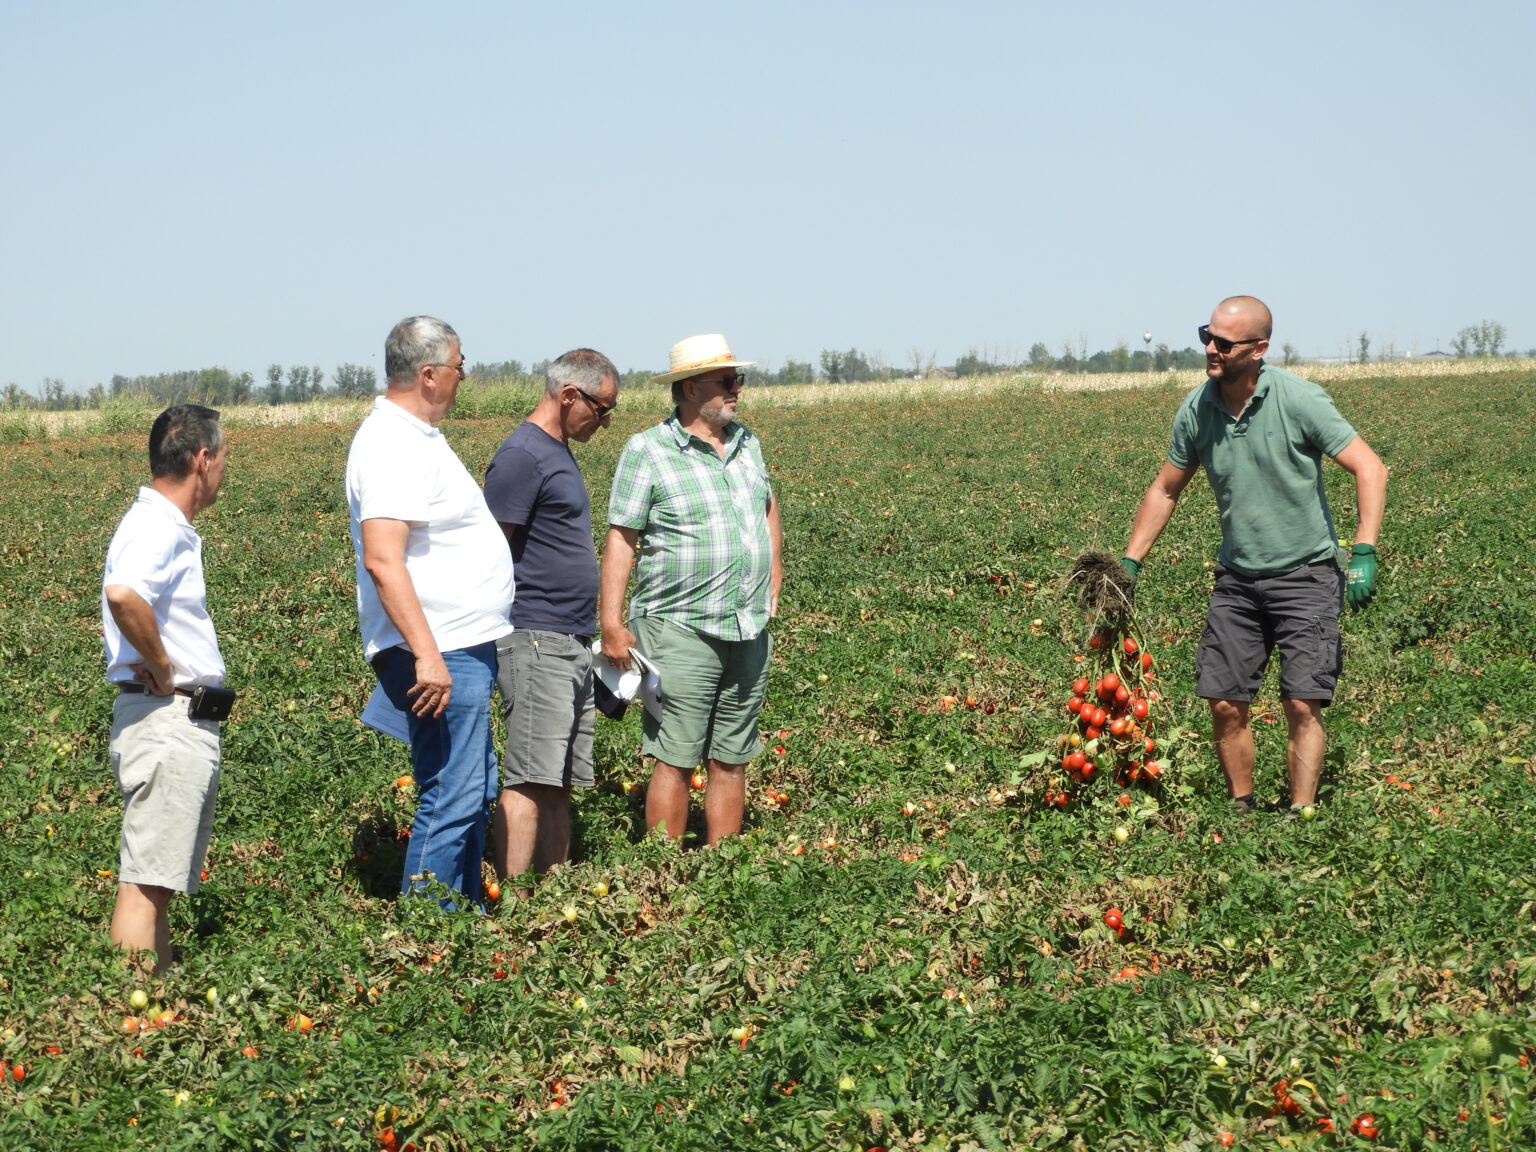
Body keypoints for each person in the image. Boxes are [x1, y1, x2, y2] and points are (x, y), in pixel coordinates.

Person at [1121, 295, 1387, 813]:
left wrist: (1363, 550)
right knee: (1224, 702)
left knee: (1301, 704)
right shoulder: (1198, 408)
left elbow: (1370, 468)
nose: (1211, 348)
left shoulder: (1298, 399)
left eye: (1224, 341)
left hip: (1306, 576)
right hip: (1237, 579)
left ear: (1259, 348)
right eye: (1207, 336)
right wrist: (1130, 562)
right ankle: (1242, 811)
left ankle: (1299, 815)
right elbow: (1166, 489)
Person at [346, 316, 513, 907]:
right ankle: (427, 936)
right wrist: (427, 655)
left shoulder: (414, 437)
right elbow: (384, 560)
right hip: (439, 648)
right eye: (460, 365)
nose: (464, 377)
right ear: (429, 374)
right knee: (450, 791)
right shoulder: (391, 443)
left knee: (469, 789)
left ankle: (459, 922)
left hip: (457, 644)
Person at [600, 334, 784, 846]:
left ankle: (721, 868)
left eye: (737, 380)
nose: (737, 390)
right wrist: (611, 623)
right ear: (688, 388)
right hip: (680, 626)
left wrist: (775, 569)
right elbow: (621, 538)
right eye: (726, 381)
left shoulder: (748, 443)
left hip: (747, 624)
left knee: (732, 753)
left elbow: (767, 504)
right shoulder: (649, 450)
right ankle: (666, 871)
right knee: (676, 755)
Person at [483, 348, 620, 891]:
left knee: (560, 781)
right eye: (601, 408)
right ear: (568, 396)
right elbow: (490, 553)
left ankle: (553, 897)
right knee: (528, 779)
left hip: (569, 640)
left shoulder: (555, 451)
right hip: (535, 636)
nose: (604, 420)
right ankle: (515, 903)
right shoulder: (522, 455)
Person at [103, 404, 230, 972]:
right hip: (166, 718)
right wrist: (163, 666)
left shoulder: (164, 525)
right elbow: (124, 594)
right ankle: (122, 1021)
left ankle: (154, 1002)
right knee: (145, 882)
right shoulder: (155, 525)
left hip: (175, 721)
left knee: (159, 881)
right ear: (202, 459)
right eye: (224, 458)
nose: (225, 470)